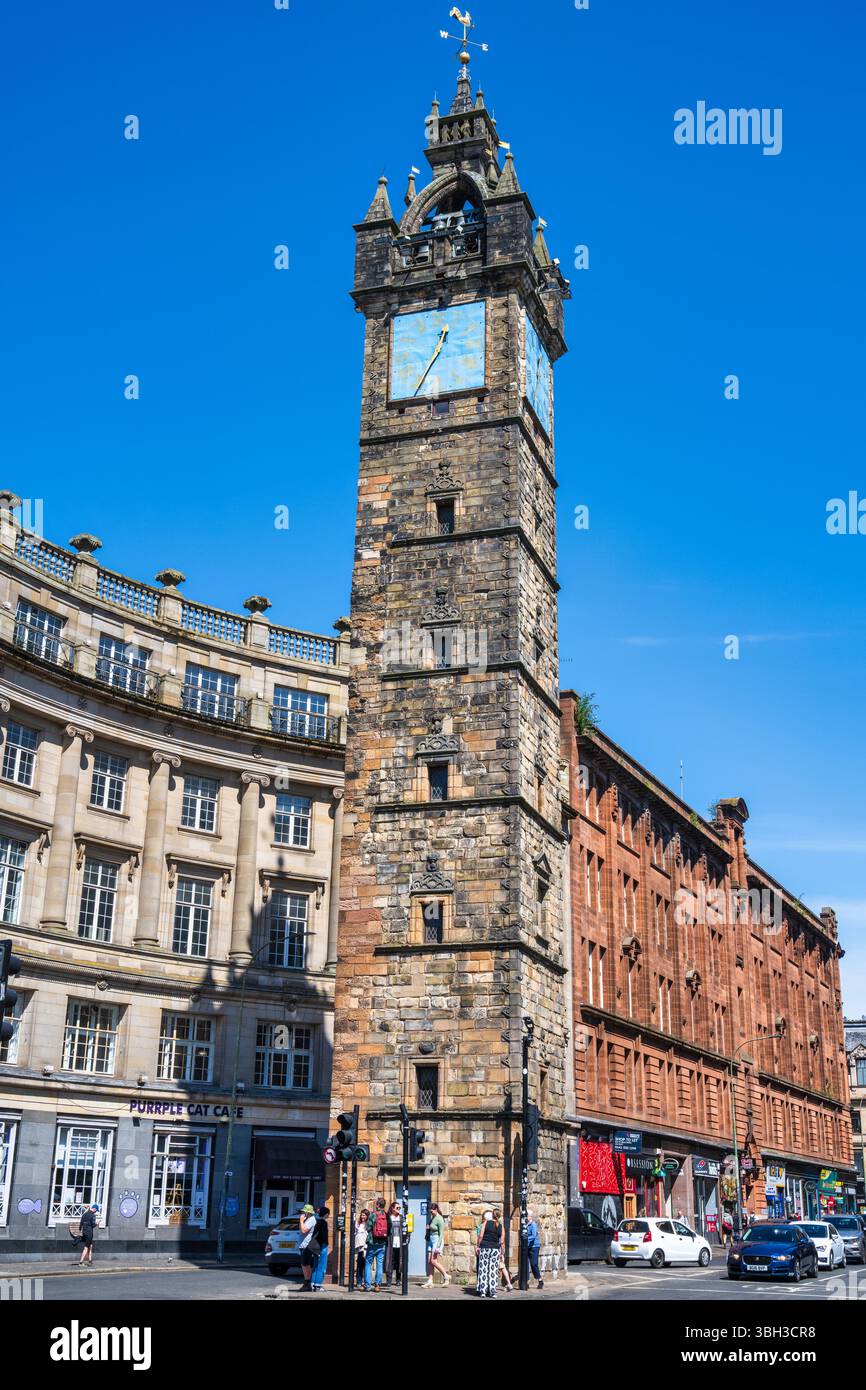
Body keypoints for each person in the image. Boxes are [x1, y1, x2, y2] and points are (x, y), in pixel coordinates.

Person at [476, 1208, 504, 1298]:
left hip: (485, 1247)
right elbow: (502, 1241)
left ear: (492, 1215)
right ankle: (493, 1292)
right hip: (495, 1249)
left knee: (483, 1269)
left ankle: (483, 1291)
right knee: (493, 1270)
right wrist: (502, 1253)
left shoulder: (486, 1223)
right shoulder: (501, 1226)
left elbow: (481, 1235)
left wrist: (478, 1246)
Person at [365, 1198, 389, 1290]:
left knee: (368, 1263)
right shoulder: (386, 1215)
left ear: (378, 1205)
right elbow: (389, 1229)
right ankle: (378, 1285)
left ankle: (367, 1285)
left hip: (372, 1242)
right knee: (379, 1264)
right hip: (382, 1242)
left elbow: (368, 1227)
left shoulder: (373, 1215)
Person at [424, 1203, 450, 1287]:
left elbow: (441, 1234)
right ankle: (430, 1281)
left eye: (432, 1212)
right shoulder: (433, 1218)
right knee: (429, 1261)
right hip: (431, 1240)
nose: (431, 1213)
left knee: (433, 1261)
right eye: (430, 1212)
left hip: (436, 1240)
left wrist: (438, 1246)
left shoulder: (439, 1219)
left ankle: (446, 1276)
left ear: (436, 1210)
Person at [298, 1203, 318, 1291]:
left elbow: (303, 1230)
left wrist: (301, 1221)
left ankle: (308, 1283)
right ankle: (306, 1282)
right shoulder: (308, 1219)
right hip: (303, 1245)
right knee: (304, 1264)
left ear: (308, 1213)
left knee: (306, 1264)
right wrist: (302, 1221)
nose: (303, 1213)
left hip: (307, 1245)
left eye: (304, 1212)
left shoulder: (311, 1220)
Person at [312, 1205, 330, 1290]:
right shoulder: (323, 1223)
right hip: (322, 1246)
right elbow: (323, 1237)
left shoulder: (317, 1222)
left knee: (315, 1266)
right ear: (326, 1214)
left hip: (315, 1247)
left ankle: (312, 1284)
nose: (329, 1215)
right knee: (321, 1266)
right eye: (328, 1214)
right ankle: (318, 1285)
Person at [385, 1200, 403, 1287]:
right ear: (392, 1208)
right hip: (390, 1242)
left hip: (399, 1242)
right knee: (390, 1261)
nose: (399, 1209)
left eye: (400, 1208)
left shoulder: (401, 1217)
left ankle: (398, 1279)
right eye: (397, 1208)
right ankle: (389, 1280)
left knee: (399, 1261)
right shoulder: (388, 1217)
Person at [526, 1209, 543, 1288]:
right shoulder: (526, 1224)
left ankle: (540, 1280)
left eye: (527, 1216)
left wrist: (525, 1239)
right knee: (525, 1264)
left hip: (534, 1247)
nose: (526, 1217)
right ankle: (526, 1281)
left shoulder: (533, 1225)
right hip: (527, 1246)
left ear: (530, 1216)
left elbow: (533, 1236)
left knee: (534, 1264)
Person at [78, 1204, 98, 1268]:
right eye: (96, 1210)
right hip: (89, 1233)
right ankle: (81, 1262)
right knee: (86, 1248)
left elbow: (81, 1223)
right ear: (94, 1209)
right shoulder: (93, 1215)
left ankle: (90, 1260)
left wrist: (80, 1230)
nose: (96, 1212)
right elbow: (93, 1225)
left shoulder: (85, 1214)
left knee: (90, 1246)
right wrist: (97, 1224)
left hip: (84, 1232)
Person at [354, 1209, 369, 1288]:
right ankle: (359, 1281)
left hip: (366, 1246)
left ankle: (365, 1281)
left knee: (366, 1264)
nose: (363, 1216)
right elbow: (355, 1233)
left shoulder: (368, 1224)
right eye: (362, 1215)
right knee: (360, 1264)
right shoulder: (358, 1223)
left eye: (364, 1215)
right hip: (359, 1246)